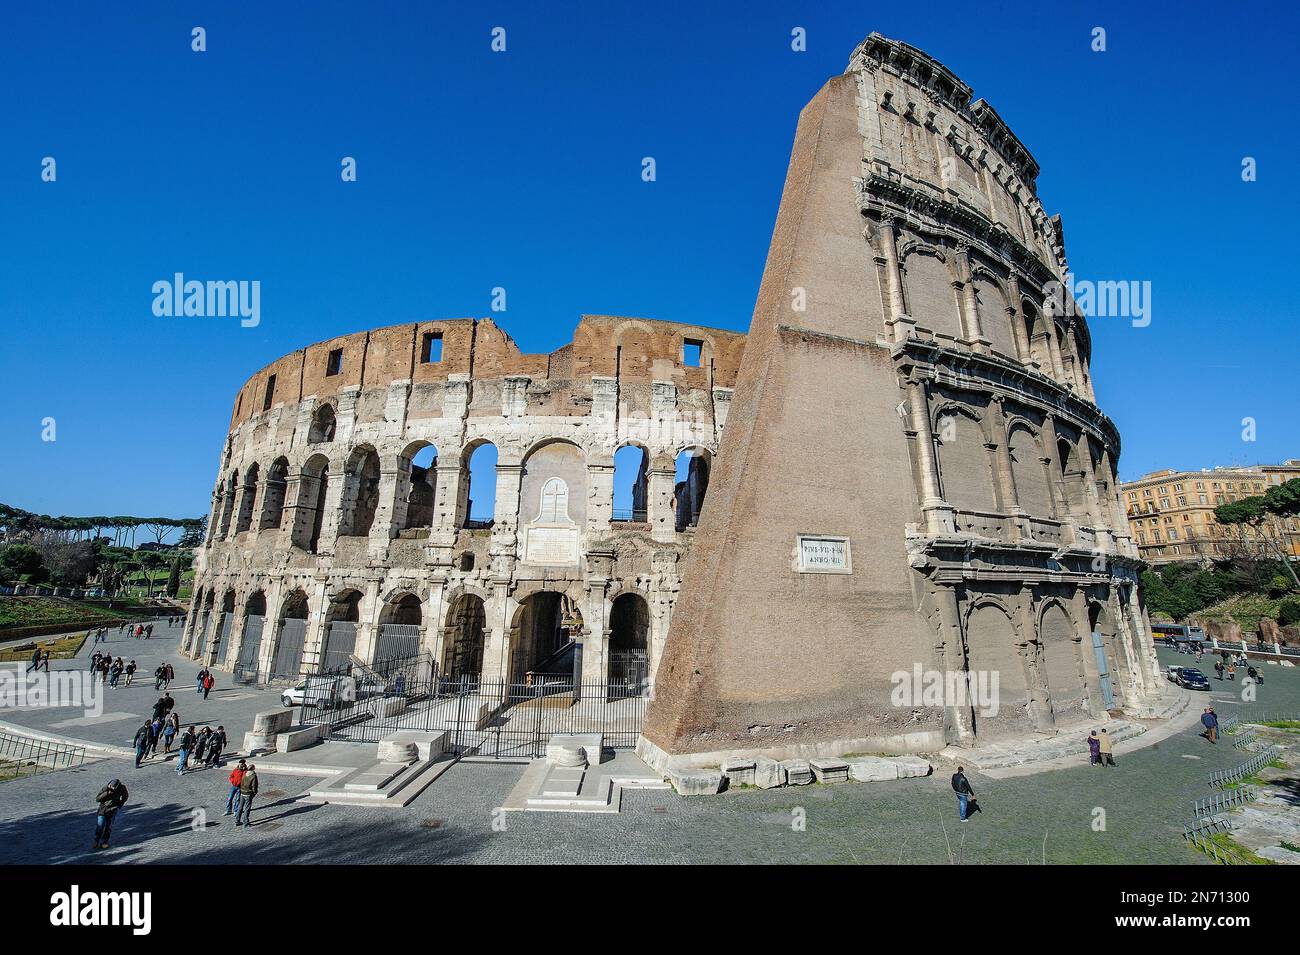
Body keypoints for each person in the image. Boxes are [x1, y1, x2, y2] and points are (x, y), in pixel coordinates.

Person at [93, 779, 128, 850]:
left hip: (112, 810)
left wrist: (119, 804)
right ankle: (96, 840)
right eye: (111, 786)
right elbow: (97, 799)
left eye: (113, 787)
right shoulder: (106, 788)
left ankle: (104, 842)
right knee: (100, 825)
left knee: (108, 827)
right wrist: (107, 793)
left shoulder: (122, 788)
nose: (111, 788)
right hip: (103, 810)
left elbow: (125, 796)